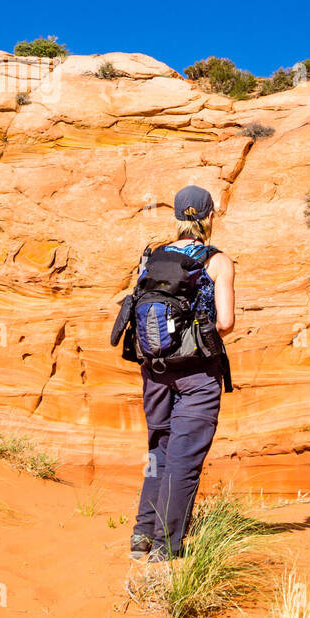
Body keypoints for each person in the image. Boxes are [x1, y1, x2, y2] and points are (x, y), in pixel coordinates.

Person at [128, 185, 235, 561]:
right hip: (198, 375)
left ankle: (142, 537)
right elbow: (226, 323)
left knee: (159, 450)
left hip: (154, 370)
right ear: (208, 218)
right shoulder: (217, 261)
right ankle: (165, 548)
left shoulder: (153, 257)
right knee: (184, 458)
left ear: (177, 218)